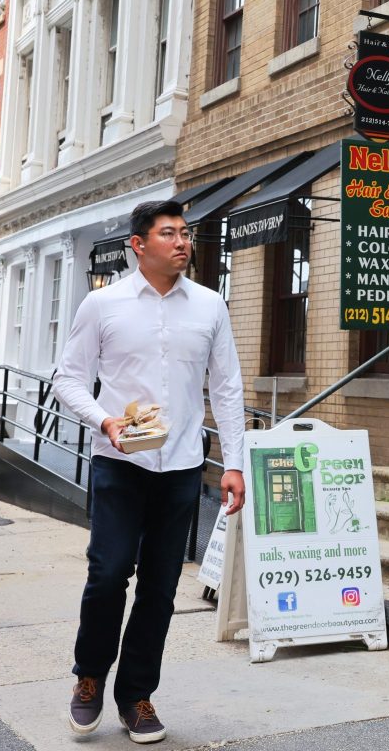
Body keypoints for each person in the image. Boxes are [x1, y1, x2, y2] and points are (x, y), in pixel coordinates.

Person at [53, 200, 246, 744]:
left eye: (186, 234)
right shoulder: (102, 304)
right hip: (120, 462)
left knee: (161, 586)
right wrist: (105, 419)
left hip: (181, 466)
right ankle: (89, 676)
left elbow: (227, 388)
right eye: (170, 234)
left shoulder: (210, 306)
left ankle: (136, 694)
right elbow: (68, 379)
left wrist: (233, 463)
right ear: (139, 244)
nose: (183, 242)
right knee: (109, 573)